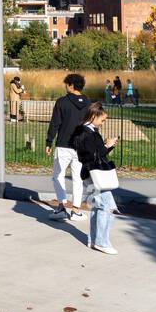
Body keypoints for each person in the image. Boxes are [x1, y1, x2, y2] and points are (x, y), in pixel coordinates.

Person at [71, 103, 119, 255]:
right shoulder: (86, 133)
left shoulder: (87, 131)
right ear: (93, 116)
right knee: (107, 206)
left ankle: (94, 240)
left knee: (99, 206)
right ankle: (101, 242)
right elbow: (93, 155)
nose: (103, 123)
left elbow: (93, 152)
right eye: (102, 120)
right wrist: (108, 146)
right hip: (94, 174)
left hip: (91, 174)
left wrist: (105, 145)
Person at [46, 73, 89, 220]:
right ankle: (76, 210)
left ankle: (62, 207)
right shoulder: (88, 103)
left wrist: (48, 141)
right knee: (78, 178)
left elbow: (55, 123)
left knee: (58, 176)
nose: (65, 86)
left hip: (64, 145)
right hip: (81, 146)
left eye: (66, 84)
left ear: (71, 85)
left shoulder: (62, 102)